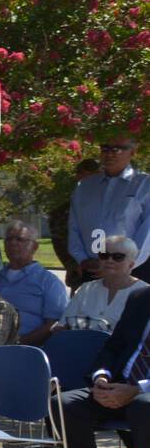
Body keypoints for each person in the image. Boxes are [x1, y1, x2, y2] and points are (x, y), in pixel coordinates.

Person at [55, 282, 150, 448]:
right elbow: (114, 345)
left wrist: (136, 389)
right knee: (65, 405)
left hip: (144, 392)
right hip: (120, 383)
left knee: (145, 406)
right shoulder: (141, 297)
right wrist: (102, 377)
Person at [68, 137, 150, 284]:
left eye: (116, 149)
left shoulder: (145, 185)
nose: (109, 154)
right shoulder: (84, 187)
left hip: (134, 271)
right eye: (105, 148)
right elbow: (74, 228)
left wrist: (124, 264)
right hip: (92, 270)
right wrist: (82, 259)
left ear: (133, 152)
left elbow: (147, 233)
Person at [53, 235, 145, 333]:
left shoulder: (144, 293)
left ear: (131, 264)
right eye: (104, 255)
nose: (109, 260)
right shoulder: (86, 288)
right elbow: (62, 326)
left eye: (118, 257)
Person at [0, 221, 68, 346]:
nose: (13, 243)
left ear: (35, 247)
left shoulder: (49, 282)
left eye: (19, 239)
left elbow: (55, 324)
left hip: (26, 349)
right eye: (9, 239)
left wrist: (19, 344)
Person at [50, 158, 102, 290]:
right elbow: (59, 241)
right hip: (81, 275)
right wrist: (74, 265)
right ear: (78, 177)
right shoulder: (63, 212)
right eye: (88, 175)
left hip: (113, 271)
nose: (92, 180)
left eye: (96, 175)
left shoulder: (115, 204)